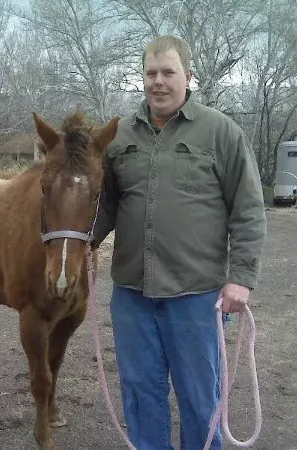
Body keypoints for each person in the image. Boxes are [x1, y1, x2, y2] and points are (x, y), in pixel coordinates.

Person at [92, 35, 267, 450]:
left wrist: (241, 278)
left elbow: (248, 209)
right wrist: (87, 241)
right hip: (132, 294)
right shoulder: (119, 138)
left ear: (188, 77)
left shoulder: (220, 132)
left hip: (196, 295)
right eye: (150, 73)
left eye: (168, 72)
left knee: (199, 397)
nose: (158, 82)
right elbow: (106, 204)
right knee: (140, 392)